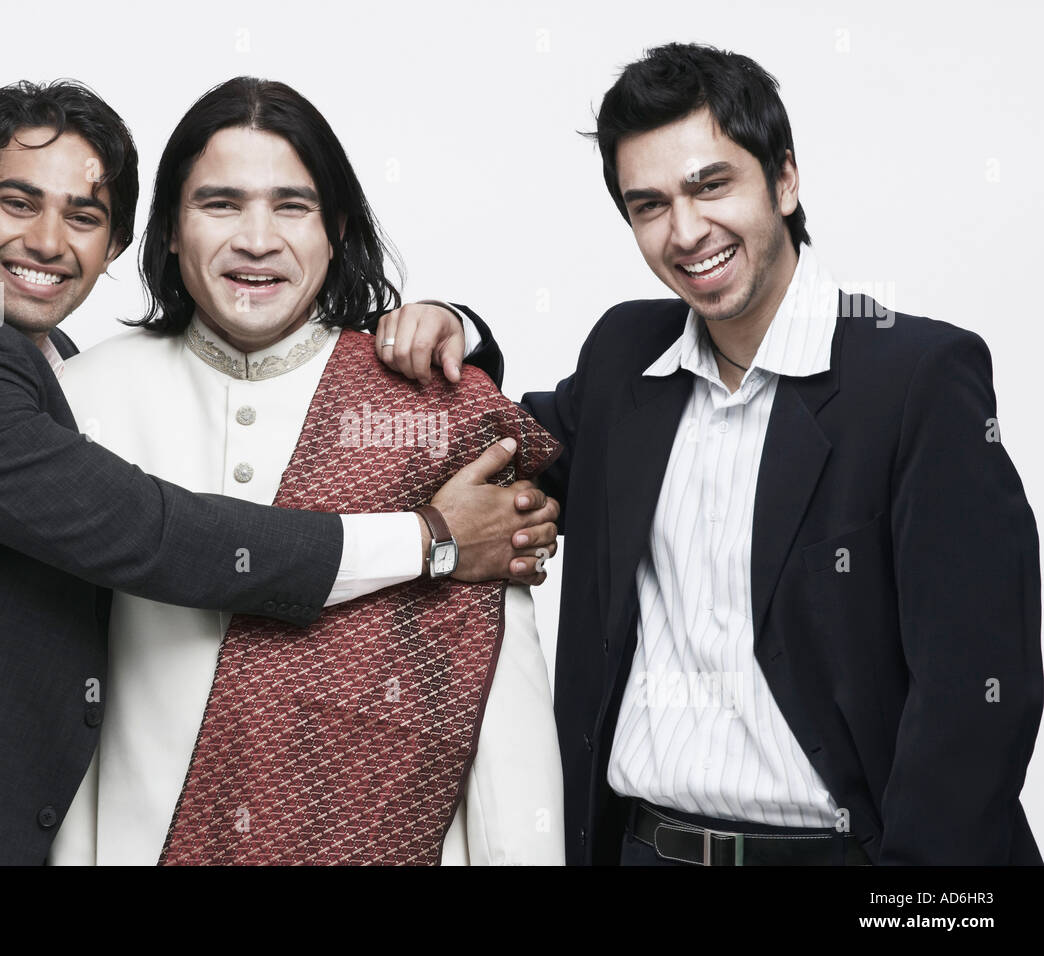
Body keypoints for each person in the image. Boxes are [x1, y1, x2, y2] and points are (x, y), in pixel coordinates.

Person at [0, 79, 559, 865]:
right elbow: (152, 535)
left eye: (84, 215)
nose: (48, 242)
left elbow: (506, 720)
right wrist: (432, 540)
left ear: (117, 244)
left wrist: (457, 332)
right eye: (19, 201)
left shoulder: (55, 365)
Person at [435, 43, 1042, 865]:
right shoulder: (626, 358)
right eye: (648, 205)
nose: (685, 232)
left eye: (710, 185)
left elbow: (979, 693)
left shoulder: (919, 379)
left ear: (784, 180)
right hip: (644, 849)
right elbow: (499, 453)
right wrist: (453, 325)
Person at [48, 77, 566, 866]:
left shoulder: (428, 408)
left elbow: (506, 723)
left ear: (336, 230)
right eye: (220, 204)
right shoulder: (82, 399)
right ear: (173, 231)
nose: (257, 240)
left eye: (291, 206)